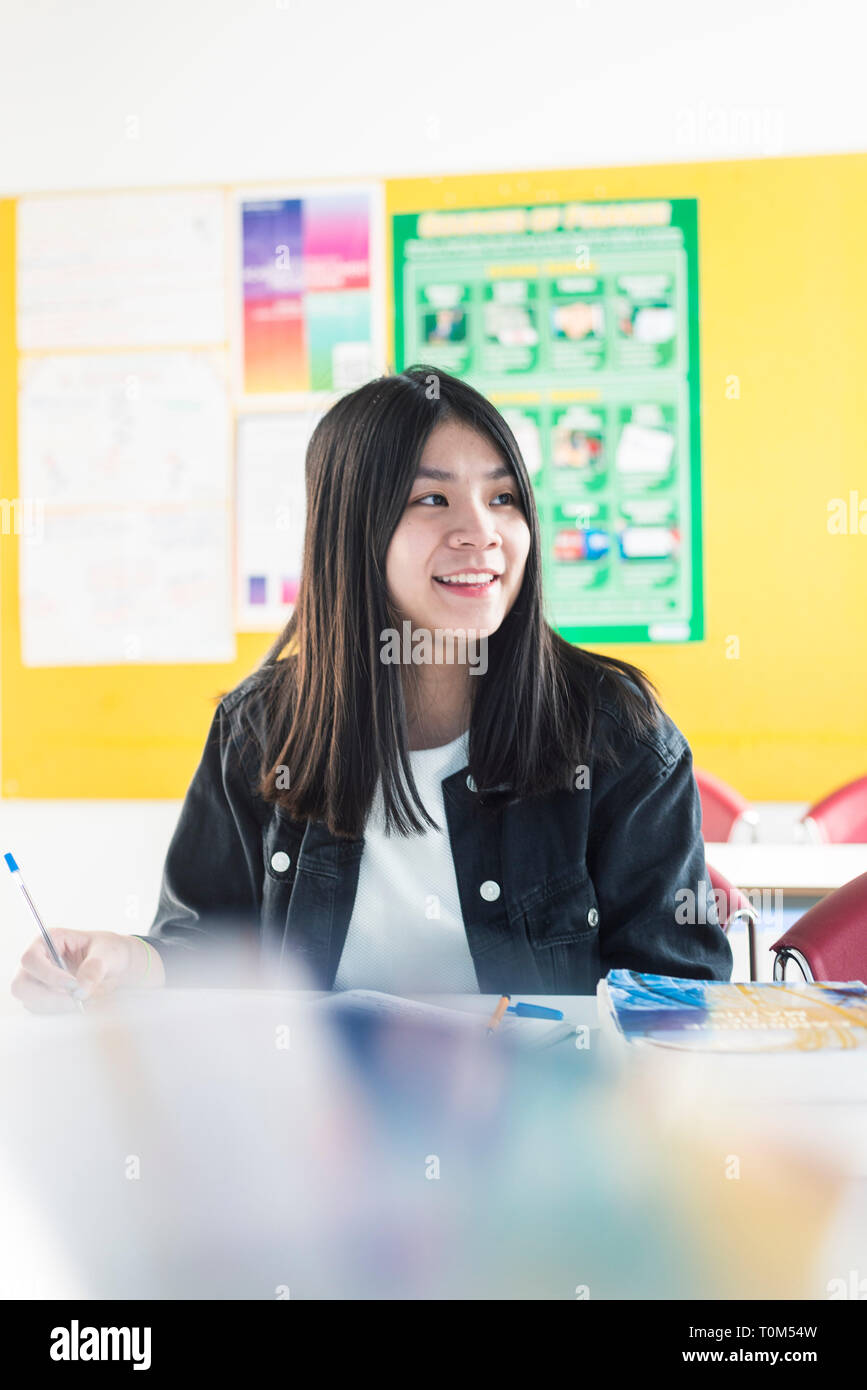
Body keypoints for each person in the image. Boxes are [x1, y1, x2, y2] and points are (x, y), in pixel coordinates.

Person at [12, 365, 732, 1012]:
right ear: (352, 530)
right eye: (430, 499)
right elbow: (206, 945)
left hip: (539, 1134)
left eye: (503, 497)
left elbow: (678, 993)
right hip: (323, 1137)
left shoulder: (613, 730)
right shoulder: (261, 730)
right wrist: (123, 958)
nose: (480, 533)